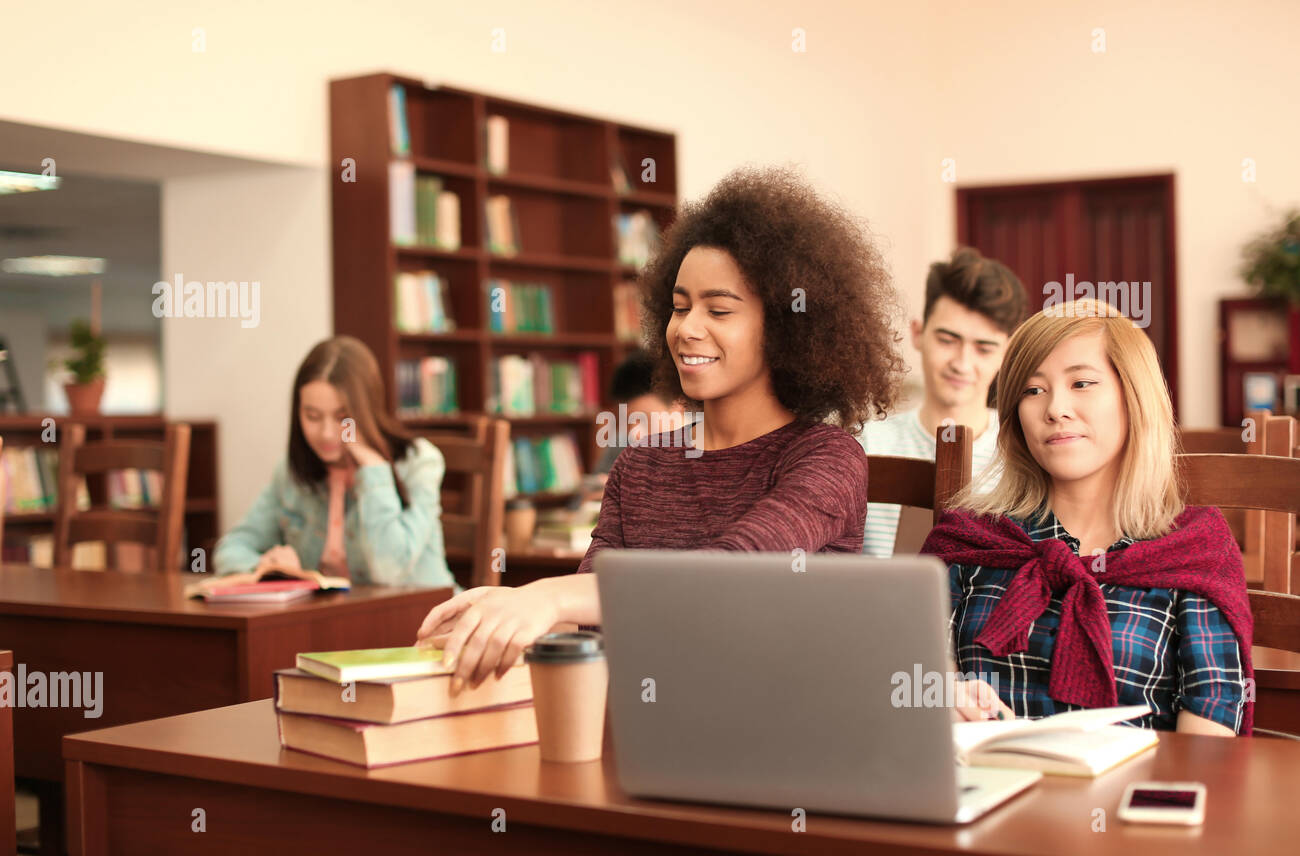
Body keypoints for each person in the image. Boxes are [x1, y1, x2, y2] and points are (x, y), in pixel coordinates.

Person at [417, 165, 906, 692]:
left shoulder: (826, 458)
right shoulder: (643, 463)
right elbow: (593, 609)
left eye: (719, 309)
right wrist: (496, 618)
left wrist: (547, 596)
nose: (687, 329)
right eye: (679, 307)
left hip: (780, 722)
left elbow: (729, 573)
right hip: (647, 719)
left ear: (788, 328)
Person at [921, 300, 1254, 734]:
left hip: (1130, 795)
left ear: (1133, 396)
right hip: (985, 792)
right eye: (1032, 390)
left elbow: (1210, 740)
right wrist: (941, 697)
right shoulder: (970, 538)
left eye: (1081, 383)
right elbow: (913, 675)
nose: (1055, 408)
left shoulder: (1192, 549)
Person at [214, 336, 457, 589]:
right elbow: (231, 549)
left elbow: (390, 571)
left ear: (365, 411)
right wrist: (267, 567)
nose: (327, 433)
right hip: (337, 622)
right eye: (312, 416)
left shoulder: (418, 462)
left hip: (422, 618)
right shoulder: (292, 471)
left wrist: (374, 470)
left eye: (342, 418)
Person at [859, 247, 1026, 557]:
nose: (961, 364)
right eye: (947, 340)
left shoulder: (1025, 454)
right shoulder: (866, 444)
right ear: (918, 333)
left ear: (1008, 352)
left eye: (984, 348)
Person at [592, 348, 687, 475]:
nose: (634, 433)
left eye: (642, 419)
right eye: (627, 422)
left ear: (679, 406)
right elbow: (589, 491)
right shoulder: (622, 445)